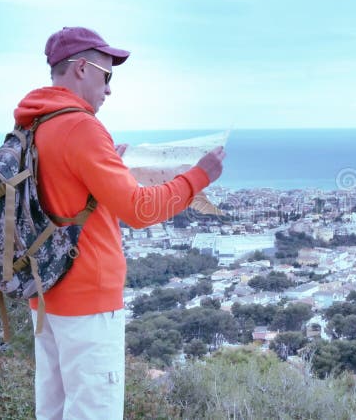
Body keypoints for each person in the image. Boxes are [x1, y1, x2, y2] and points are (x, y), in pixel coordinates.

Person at [13, 26, 225, 420]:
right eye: (106, 75)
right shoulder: (80, 126)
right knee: (94, 411)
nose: (109, 89)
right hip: (87, 299)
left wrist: (108, 160)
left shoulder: (35, 122)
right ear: (80, 68)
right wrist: (199, 176)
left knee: (54, 409)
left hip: (45, 293)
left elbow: (60, 192)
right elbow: (139, 211)